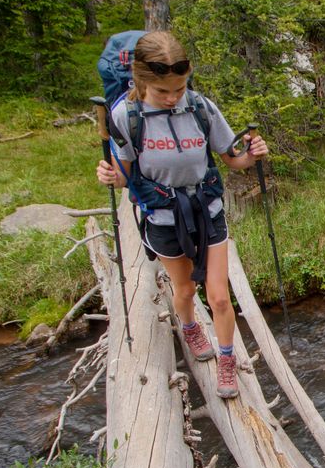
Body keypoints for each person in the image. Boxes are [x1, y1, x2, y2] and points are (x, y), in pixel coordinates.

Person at [96, 30, 267, 399]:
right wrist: (110, 175)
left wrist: (252, 155)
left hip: (207, 210)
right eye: (163, 91)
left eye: (179, 88)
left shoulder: (201, 107)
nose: (173, 97)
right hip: (163, 217)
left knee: (219, 297)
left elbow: (232, 159)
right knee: (186, 290)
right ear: (141, 80)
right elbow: (125, 177)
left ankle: (226, 358)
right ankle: (190, 327)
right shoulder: (126, 116)